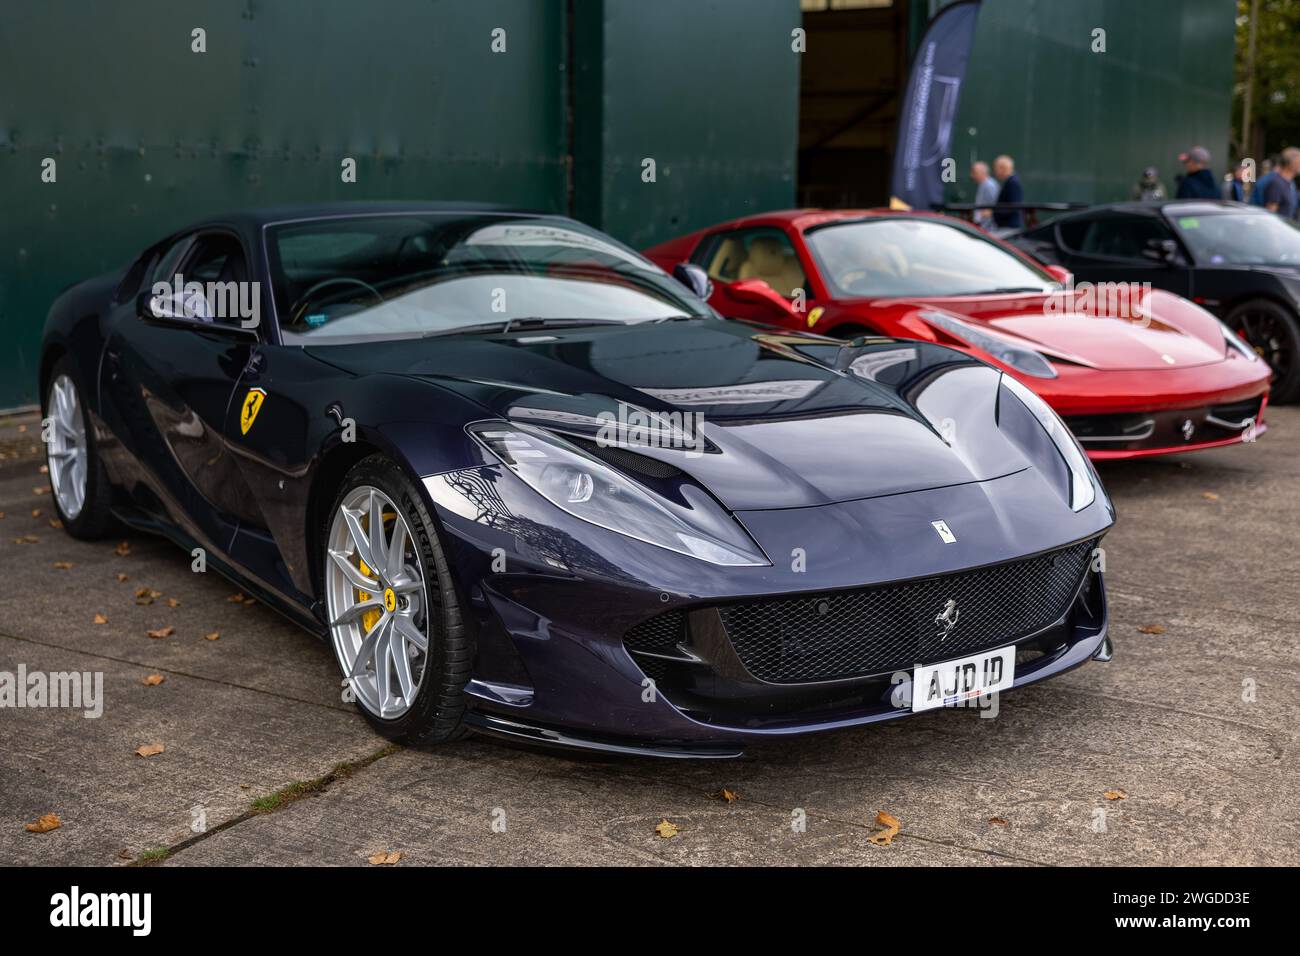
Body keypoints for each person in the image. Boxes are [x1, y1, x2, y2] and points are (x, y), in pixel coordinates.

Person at [1249, 146, 1298, 217]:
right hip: (1276, 226)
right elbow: (1271, 213)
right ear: (1290, 163)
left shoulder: (1290, 183)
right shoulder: (1276, 182)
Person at [992, 155, 1023, 229]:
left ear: (1003, 168)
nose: (995, 170)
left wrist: (994, 212)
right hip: (1006, 226)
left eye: (996, 168)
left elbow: (1013, 206)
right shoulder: (1010, 182)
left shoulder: (1012, 183)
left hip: (1009, 227)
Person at [970, 161, 999, 229]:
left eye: (974, 173)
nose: (972, 175)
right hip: (983, 226)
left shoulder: (990, 185)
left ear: (982, 172)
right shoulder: (983, 184)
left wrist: (981, 215)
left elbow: (995, 206)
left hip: (989, 227)